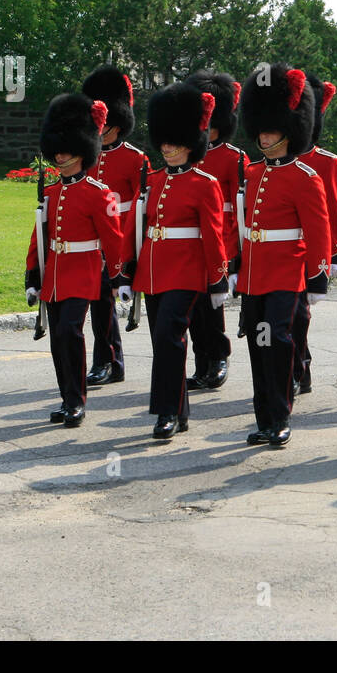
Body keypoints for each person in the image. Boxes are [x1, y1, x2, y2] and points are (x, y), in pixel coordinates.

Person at [123, 81, 227, 439]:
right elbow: (133, 228)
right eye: (164, 141)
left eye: (174, 141)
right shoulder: (152, 180)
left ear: (190, 142)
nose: (167, 147)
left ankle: (165, 412)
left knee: (169, 335)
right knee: (163, 342)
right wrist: (126, 269)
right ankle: (179, 412)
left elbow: (213, 234)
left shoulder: (205, 183)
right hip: (152, 271)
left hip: (186, 271)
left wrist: (218, 279)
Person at [235, 64, 331, 448]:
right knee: (257, 345)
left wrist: (318, 276)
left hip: (287, 273)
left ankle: (281, 413)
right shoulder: (253, 173)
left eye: (271, 130)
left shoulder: (305, 177)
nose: (264, 136)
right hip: (255, 274)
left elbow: (318, 230)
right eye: (261, 129)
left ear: (288, 132)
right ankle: (265, 418)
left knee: (276, 339)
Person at [24, 94, 126, 427]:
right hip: (55, 273)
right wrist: (32, 276)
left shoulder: (100, 193)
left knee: (71, 331)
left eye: (66, 149)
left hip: (84, 271)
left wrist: (117, 276)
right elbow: (38, 238)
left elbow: (114, 240)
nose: (59, 155)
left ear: (80, 149)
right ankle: (67, 398)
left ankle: (77, 400)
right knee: (58, 339)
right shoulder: (51, 193)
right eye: (57, 149)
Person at [81, 66, 147, 388]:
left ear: (117, 125)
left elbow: (140, 207)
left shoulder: (136, 160)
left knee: (103, 304)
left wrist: (130, 250)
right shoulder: (87, 158)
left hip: (119, 241)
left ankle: (106, 361)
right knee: (97, 303)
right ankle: (112, 361)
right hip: (90, 241)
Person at [186, 70, 247, 391]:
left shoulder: (234, 159)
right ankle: (201, 363)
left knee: (213, 305)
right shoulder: (187, 155)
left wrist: (234, 253)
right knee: (194, 309)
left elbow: (240, 210)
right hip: (188, 244)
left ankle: (218, 357)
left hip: (220, 242)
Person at [292, 75, 337, 396]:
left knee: (300, 314)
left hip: (313, 247)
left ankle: (302, 366)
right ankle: (299, 364)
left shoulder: (326, 163)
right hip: (282, 249)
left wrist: (335, 256)